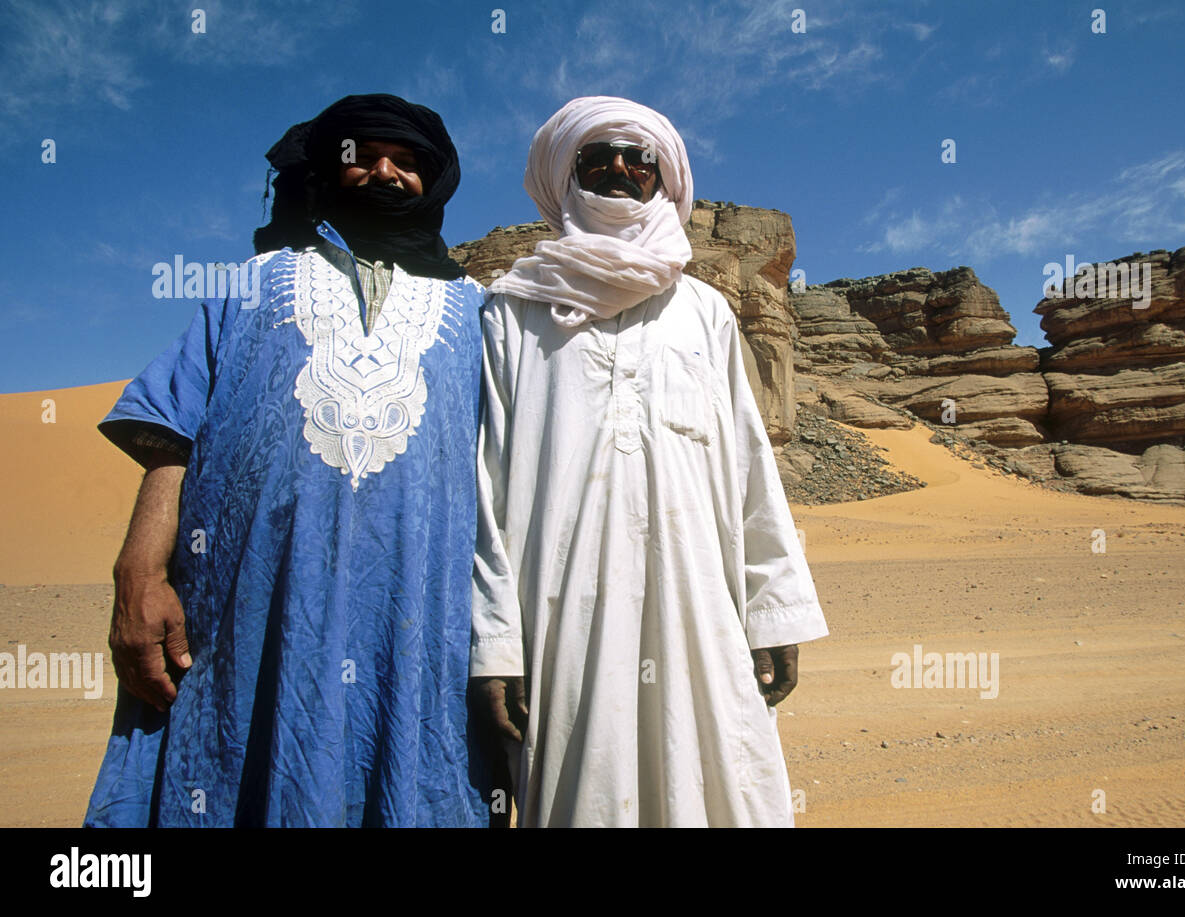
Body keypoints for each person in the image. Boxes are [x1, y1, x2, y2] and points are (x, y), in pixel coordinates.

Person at [84, 94, 490, 827]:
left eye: (407, 162)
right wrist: (139, 568)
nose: (385, 171)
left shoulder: (479, 313)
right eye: (361, 155)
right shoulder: (250, 285)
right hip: (247, 619)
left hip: (419, 627)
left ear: (434, 182)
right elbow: (172, 431)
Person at [470, 96, 828, 827]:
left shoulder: (704, 311)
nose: (620, 170)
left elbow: (749, 467)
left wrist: (774, 609)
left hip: (699, 600)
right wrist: (495, 643)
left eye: (640, 158)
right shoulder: (509, 312)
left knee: (717, 772)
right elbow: (485, 481)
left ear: (664, 179)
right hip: (561, 609)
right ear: (566, 176)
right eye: (597, 157)